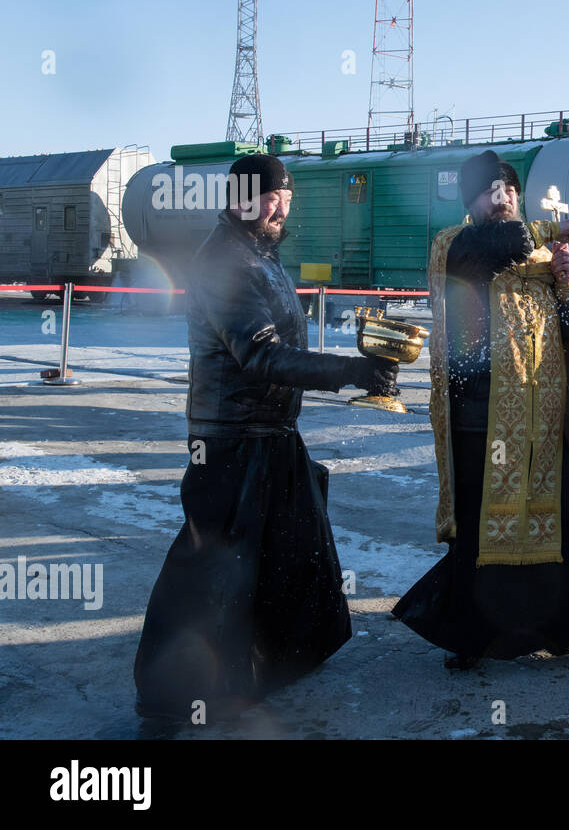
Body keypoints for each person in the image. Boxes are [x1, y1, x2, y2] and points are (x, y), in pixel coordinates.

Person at [134, 154, 399, 719]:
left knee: (289, 547)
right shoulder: (224, 261)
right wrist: (348, 372)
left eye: (285, 196)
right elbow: (258, 354)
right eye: (267, 196)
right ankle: (182, 684)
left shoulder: (259, 255)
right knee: (217, 562)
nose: (279, 206)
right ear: (238, 199)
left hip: (271, 431)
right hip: (230, 435)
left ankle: (280, 659)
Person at [393, 150, 569, 668]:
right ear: (471, 203)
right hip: (480, 413)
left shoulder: (544, 254)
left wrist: (567, 283)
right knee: (484, 522)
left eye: (509, 192)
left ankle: (558, 623)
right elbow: (500, 246)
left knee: (558, 517)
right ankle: (474, 635)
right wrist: (555, 230)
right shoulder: (454, 245)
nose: (502, 201)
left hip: (544, 417)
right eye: (489, 192)